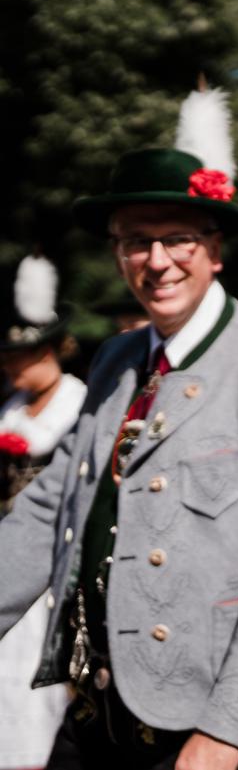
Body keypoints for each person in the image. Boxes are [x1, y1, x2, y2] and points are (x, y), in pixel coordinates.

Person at [0, 89, 238, 770]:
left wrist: (227, 728)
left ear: (214, 248)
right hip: (93, 708)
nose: (156, 260)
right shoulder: (117, 359)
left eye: (177, 238)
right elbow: (48, 509)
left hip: (194, 722)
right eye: (134, 241)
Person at [0, 256, 82, 770]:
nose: (11, 367)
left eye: (20, 357)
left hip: (58, 559)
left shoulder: (78, 404)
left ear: (49, 351)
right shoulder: (9, 408)